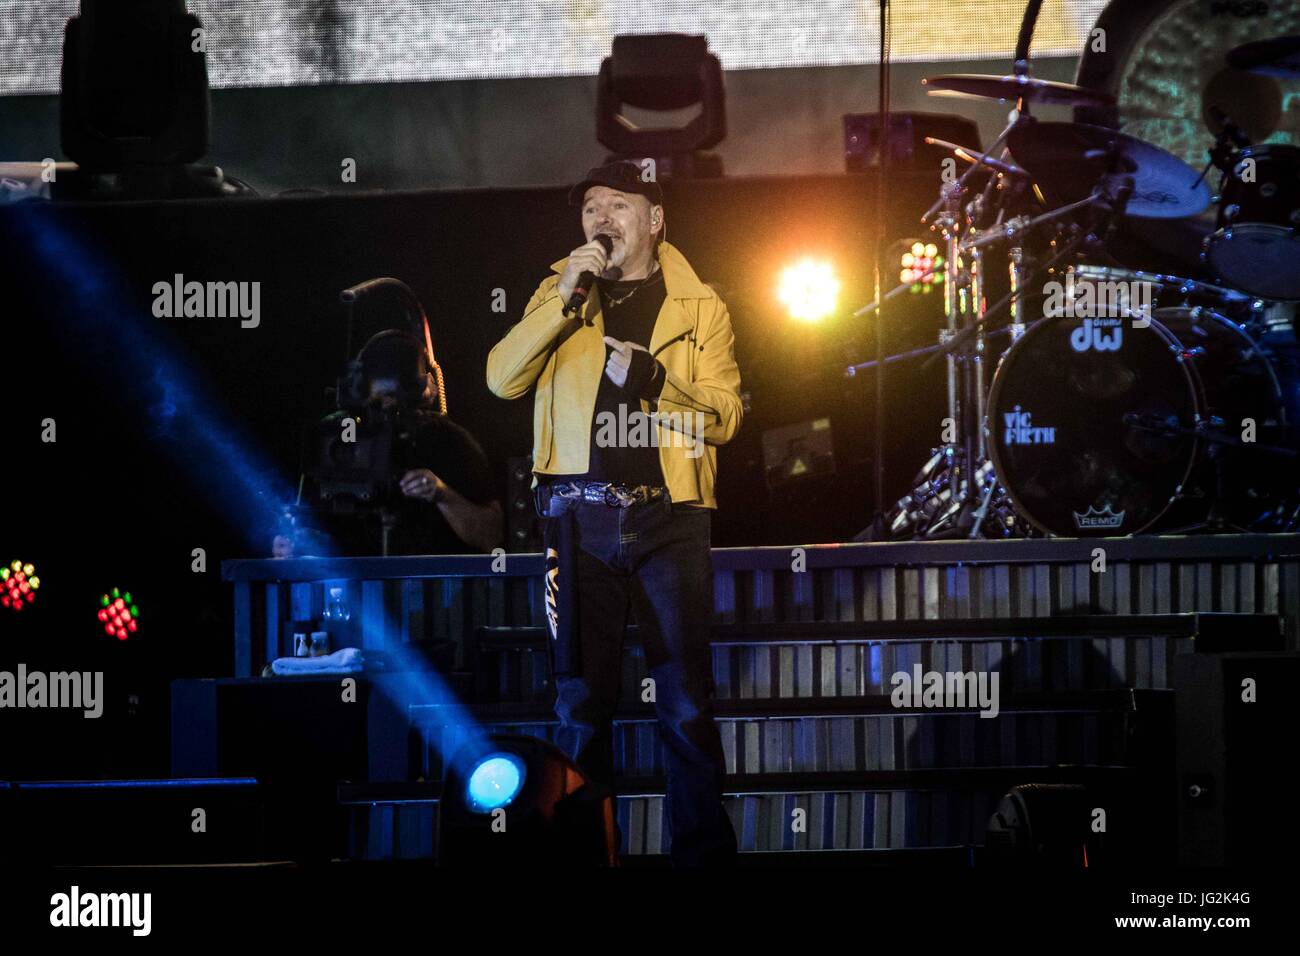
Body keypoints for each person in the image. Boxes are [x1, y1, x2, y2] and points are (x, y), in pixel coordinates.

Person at [486, 160, 744, 865]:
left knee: (685, 706)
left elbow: (725, 418)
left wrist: (659, 381)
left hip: (669, 520)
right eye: (591, 207)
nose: (600, 217)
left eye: (617, 204)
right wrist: (563, 299)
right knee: (580, 707)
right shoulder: (559, 293)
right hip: (576, 523)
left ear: (654, 219)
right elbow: (500, 379)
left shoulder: (701, 307)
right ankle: (580, 858)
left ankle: (701, 860)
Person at [275, 329, 503, 556]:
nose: (386, 412)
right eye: (377, 402)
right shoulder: (337, 440)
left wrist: (441, 494)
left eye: (395, 403)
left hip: (437, 587)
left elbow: (492, 535)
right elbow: (313, 534)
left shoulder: (447, 441)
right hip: (359, 588)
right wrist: (298, 545)